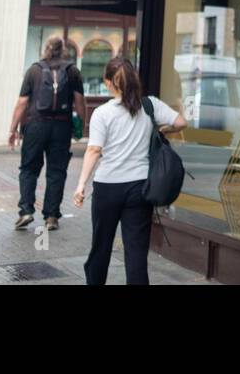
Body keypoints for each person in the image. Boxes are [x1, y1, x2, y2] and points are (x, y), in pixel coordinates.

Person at [73, 57, 185, 286]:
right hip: (140, 188)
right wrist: (163, 129)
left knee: (101, 246)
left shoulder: (103, 113)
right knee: (136, 252)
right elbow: (181, 122)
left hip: (107, 188)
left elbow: (94, 150)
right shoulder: (149, 105)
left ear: (108, 83)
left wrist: (81, 184)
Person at [8, 36, 86, 231]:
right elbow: (79, 102)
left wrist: (12, 129)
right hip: (61, 127)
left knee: (28, 169)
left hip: (35, 125)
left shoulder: (34, 70)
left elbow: (22, 103)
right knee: (57, 171)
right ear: (64, 50)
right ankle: (51, 216)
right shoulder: (73, 71)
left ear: (46, 49)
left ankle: (26, 211)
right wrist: (82, 125)